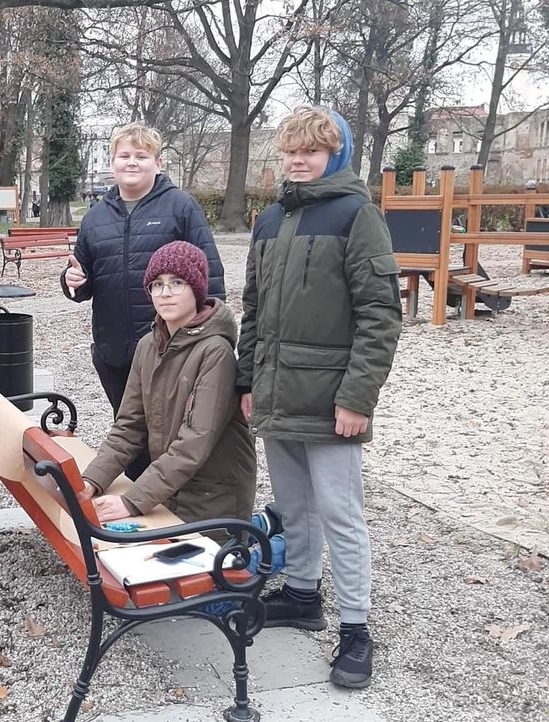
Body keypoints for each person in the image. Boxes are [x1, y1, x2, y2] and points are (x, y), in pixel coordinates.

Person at [236, 106, 402, 689]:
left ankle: (356, 628)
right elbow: (253, 308)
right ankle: (302, 595)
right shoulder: (270, 219)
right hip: (276, 391)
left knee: (340, 514)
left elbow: (380, 315)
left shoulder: (357, 215)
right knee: (293, 504)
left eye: (310, 150)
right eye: (290, 151)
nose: (297, 160)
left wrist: (358, 397)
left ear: (336, 154)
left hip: (332, 398)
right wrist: (247, 382)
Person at [61, 122, 225, 481]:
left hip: (171, 349)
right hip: (114, 350)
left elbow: (210, 274)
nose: (132, 162)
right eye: (124, 155)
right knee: (129, 432)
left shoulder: (181, 207)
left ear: (158, 163)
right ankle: (139, 501)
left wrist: (209, 334)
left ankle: (175, 502)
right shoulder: (96, 216)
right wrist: (71, 281)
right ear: (113, 162)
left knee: (170, 435)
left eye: (141, 155)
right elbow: (82, 278)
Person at [79, 241, 256, 531]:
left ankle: (269, 533)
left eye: (177, 282)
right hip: (168, 491)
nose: (165, 293)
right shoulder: (148, 346)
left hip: (211, 497)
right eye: (157, 284)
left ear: (196, 289)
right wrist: (92, 479)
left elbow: (194, 443)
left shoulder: (216, 351)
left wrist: (132, 500)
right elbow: (129, 426)